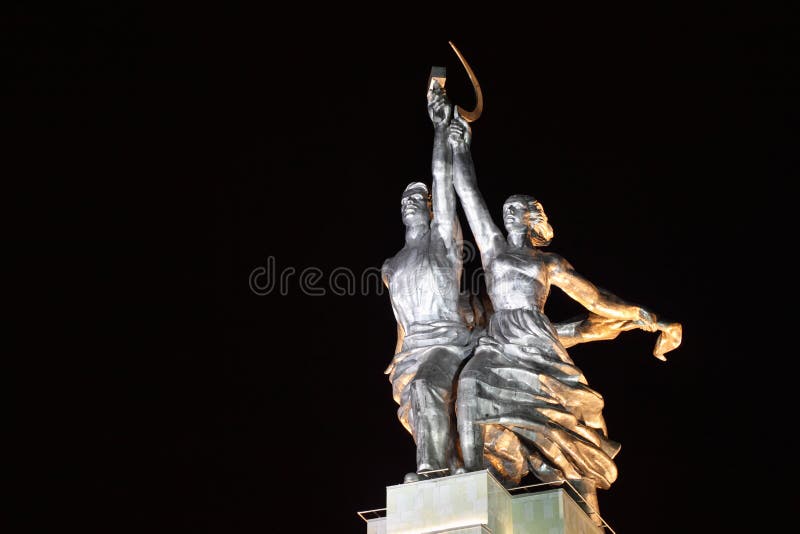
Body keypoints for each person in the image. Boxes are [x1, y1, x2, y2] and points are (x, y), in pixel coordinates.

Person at [447, 114, 681, 524]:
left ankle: (581, 491)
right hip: (500, 337)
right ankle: (471, 475)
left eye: (516, 209)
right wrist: (459, 146)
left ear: (530, 217)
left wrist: (642, 315)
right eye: (506, 209)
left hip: (537, 342)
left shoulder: (549, 262)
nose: (507, 213)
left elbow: (596, 299)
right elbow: (469, 195)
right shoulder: (493, 250)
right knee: (469, 385)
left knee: (563, 420)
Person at [382, 81, 477, 482]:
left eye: (416, 198)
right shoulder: (392, 265)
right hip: (411, 351)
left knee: (425, 388)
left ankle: (432, 473)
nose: (409, 203)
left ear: (429, 208)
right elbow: (400, 323)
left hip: (448, 341)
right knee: (418, 404)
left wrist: (440, 128)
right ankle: (449, 464)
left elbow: (442, 179)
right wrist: (396, 355)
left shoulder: (443, 238)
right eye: (404, 199)